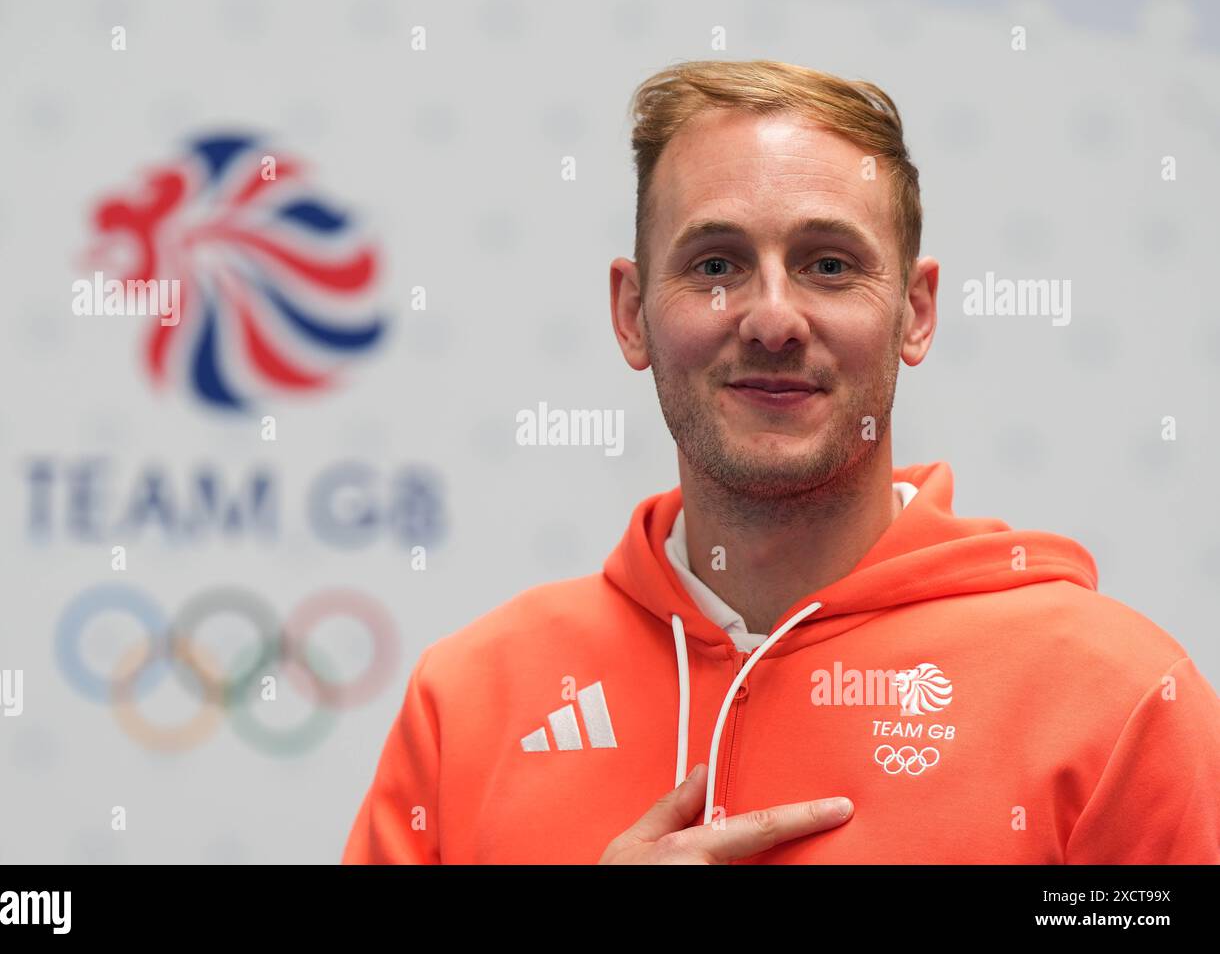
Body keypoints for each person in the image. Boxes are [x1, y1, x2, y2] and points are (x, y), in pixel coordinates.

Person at [342, 59, 1220, 864]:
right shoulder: (467, 705)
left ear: (915, 313)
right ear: (631, 312)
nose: (771, 318)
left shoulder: (1119, 700)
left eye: (828, 265)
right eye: (716, 263)